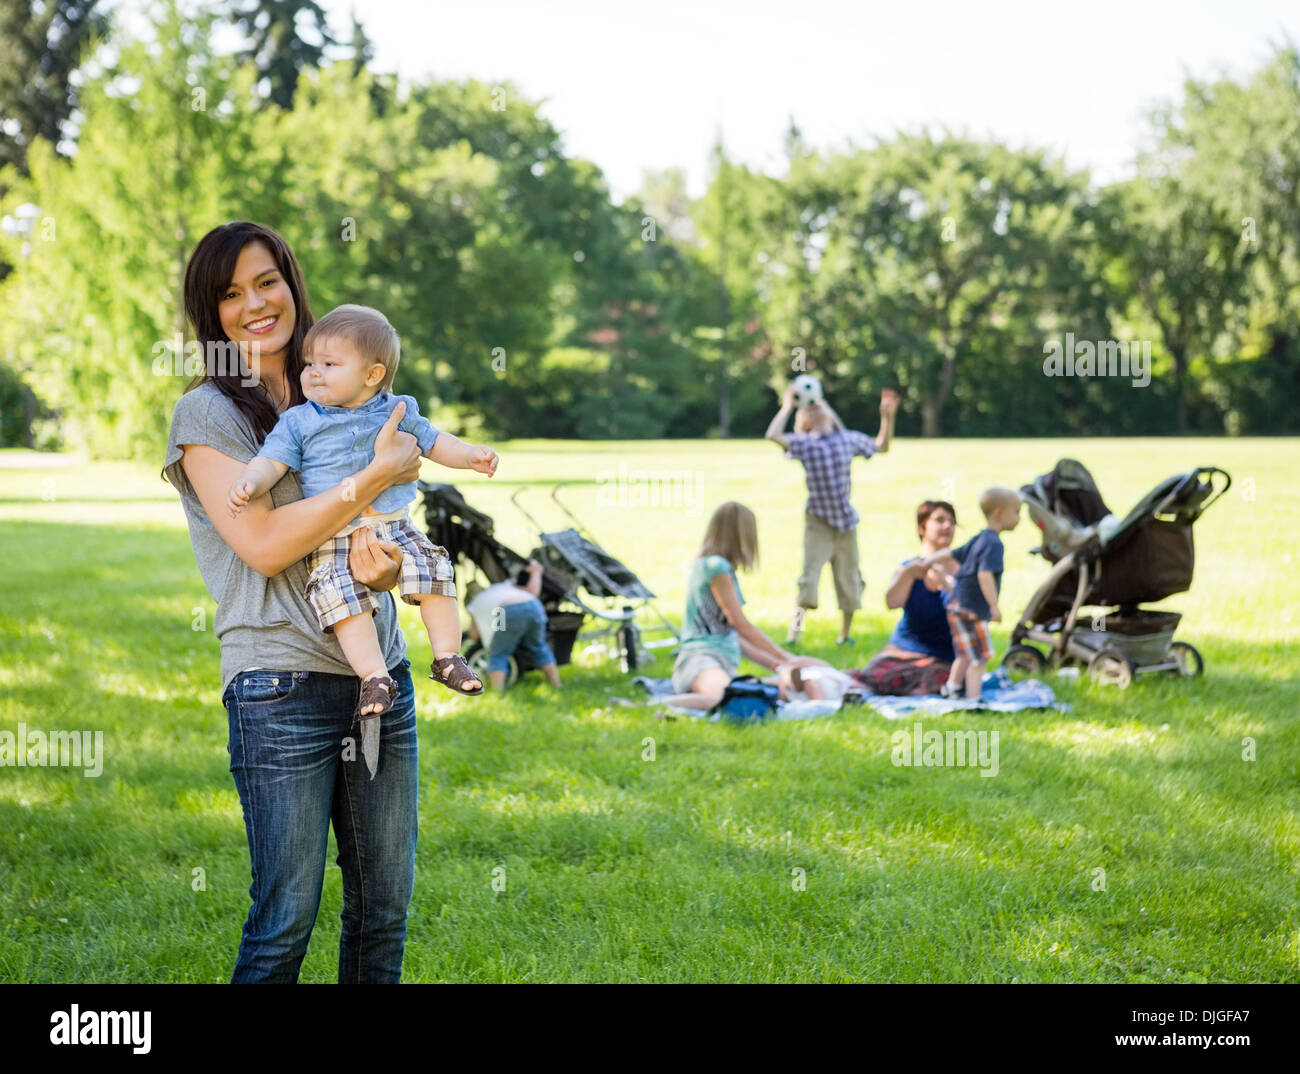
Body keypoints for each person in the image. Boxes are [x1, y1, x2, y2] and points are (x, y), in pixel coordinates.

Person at [162, 221, 422, 983]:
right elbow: (268, 544)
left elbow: (388, 518)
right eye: (230, 294)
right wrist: (368, 480)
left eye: (265, 281)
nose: (254, 304)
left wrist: (387, 570)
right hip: (278, 687)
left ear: (291, 280)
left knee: (382, 914)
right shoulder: (206, 415)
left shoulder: (346, 382)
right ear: (210, 313)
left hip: (380, 676)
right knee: (285, 920)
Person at [226, 304, 499, 711]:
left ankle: (447, 657)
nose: (313, 373)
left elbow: (436, 441)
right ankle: (375, 679)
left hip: (395, 525)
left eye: (329, 364)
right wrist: (252, 480)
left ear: (372, 375)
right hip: (333, 533)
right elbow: (273, 459)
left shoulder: (397, 409)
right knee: (342, 600)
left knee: (433, 569)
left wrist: (470, 455)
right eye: (309, 363)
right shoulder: (302, 420)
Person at [766, 383, 899, 647]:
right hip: (818, 522)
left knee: (848, 580)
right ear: (804, 422)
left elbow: (881, 446)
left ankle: (845, 635)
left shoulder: (846, 439)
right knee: (808, 579)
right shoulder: (805, 445)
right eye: (810, 410)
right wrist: (787, 406)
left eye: (820, 408)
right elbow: (772, 435)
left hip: (846, 523)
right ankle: (794, 634)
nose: (816, 411)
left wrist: (887, 417)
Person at [661, 501, 807, 711]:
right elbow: (740, 625)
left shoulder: (719, 567)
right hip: (700, 661)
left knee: (775, 692)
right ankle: (644, 707)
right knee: (724, 698)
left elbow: (733, 636)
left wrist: (776, 664)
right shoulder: (716, 568)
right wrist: (785, 656)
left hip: (720, 665)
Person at [854, 500, 959, 695]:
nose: (947, 526)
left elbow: (971, 609)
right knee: (872, 677)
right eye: (940, 520)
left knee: (935, 683)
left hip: (942, 658)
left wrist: (947, 580)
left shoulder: (962, 570)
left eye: (952, 522)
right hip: (902, 651)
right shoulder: (908, 568)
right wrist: (908, 574)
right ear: (922, 527)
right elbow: (892, 602)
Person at [934, 487, 1022, 702]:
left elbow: (952, 554)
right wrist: (993, 606)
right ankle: (973, 700)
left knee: (965, 653)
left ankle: (952, 688)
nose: (1019, 518)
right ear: (1000, 513)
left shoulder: (980, 538)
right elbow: (984, 575)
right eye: (1017, 512)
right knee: (980, 656)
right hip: (972, 609)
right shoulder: (994, 544)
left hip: (957, 604)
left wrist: (927, 562)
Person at [464, 560, 561, 693]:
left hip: (508, 610)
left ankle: (497, 693)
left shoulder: (474, 605)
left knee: (499, 653)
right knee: (539, 647)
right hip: (534, 605)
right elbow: (532, 591)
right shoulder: (502, 587)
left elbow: (474, 635)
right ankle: (556, 685)